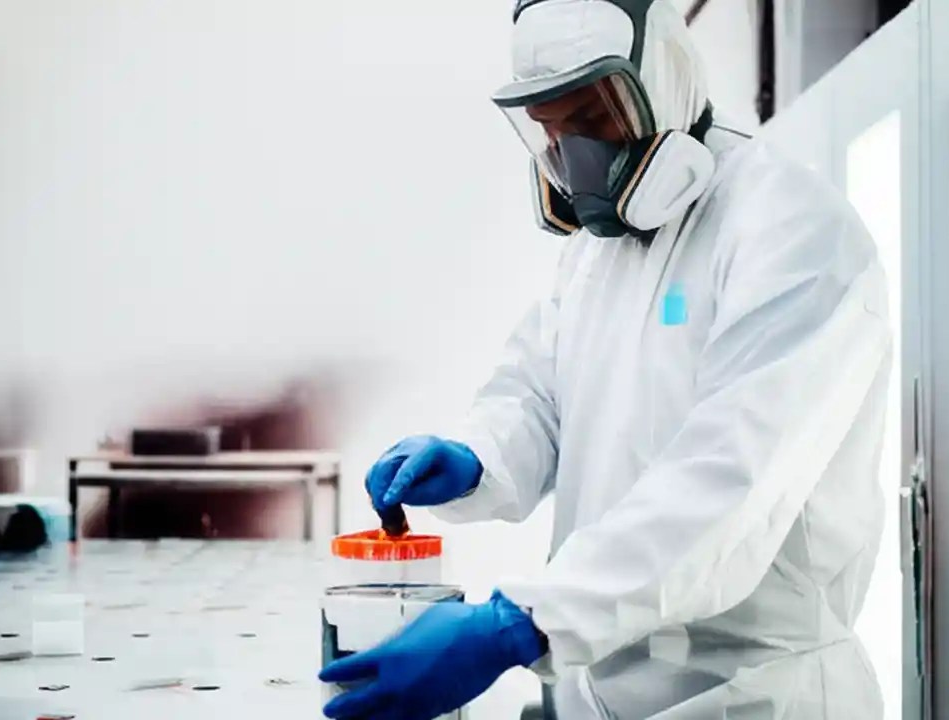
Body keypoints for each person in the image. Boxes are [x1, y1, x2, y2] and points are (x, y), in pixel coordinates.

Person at [320, 0, 892, 717]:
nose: (570, 159)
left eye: (588, 123)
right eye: (549, 133)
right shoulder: (600, 247)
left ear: (664, 84)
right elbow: (539, 396)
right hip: (605, 684)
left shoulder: (791, 230)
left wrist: (519, 624)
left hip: (751, 694)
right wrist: (474, 456)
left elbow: (723, 488)